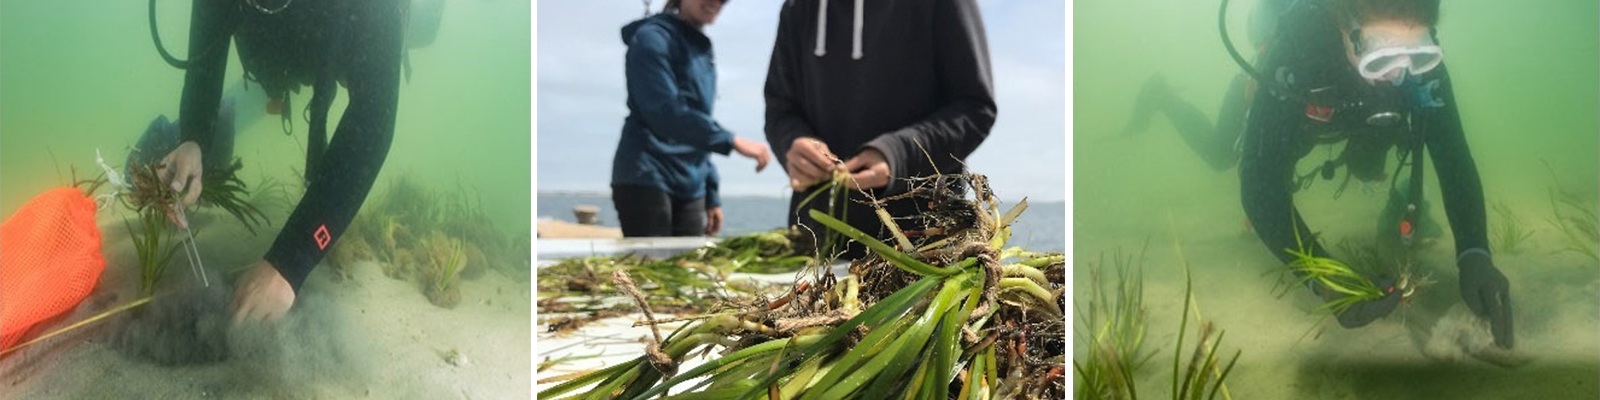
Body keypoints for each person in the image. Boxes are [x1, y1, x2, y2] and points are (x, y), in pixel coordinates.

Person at [1186, 0, 1510, 348]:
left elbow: (1452, 154)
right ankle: (1162, 95)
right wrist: (1323, 277)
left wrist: (1474, 253)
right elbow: (1260, 180)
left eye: (1416, 53)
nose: (1398, 75)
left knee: (1368, 164)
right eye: (1382, 54)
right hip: (1294, 107)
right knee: (1221, 154)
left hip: (1361, 120)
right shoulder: (1297, 51)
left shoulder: (1420, 69)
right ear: (1344, 28)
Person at [154, 0, 408, 326]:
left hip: (345, 37)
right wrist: (193, 138)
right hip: (276, 56)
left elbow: (373, 122)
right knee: (269, 80)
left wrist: (291, 261)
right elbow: (205, 60)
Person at [764, 0, 997, 259]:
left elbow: (975, 107)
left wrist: (897, 154)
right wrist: (793, 142)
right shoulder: (797, 7)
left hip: (924, 250)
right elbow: (780, 110)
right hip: (812, 251)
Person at [613, 0, 772, 238]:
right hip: (646, 175)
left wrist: (711, 192)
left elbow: (699, 122)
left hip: (691, 183)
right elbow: (664, 112)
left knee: (690, 260)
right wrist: (731, 141)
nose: (715, 2)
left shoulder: (701, 49)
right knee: (652, 262)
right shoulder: (651, 39)